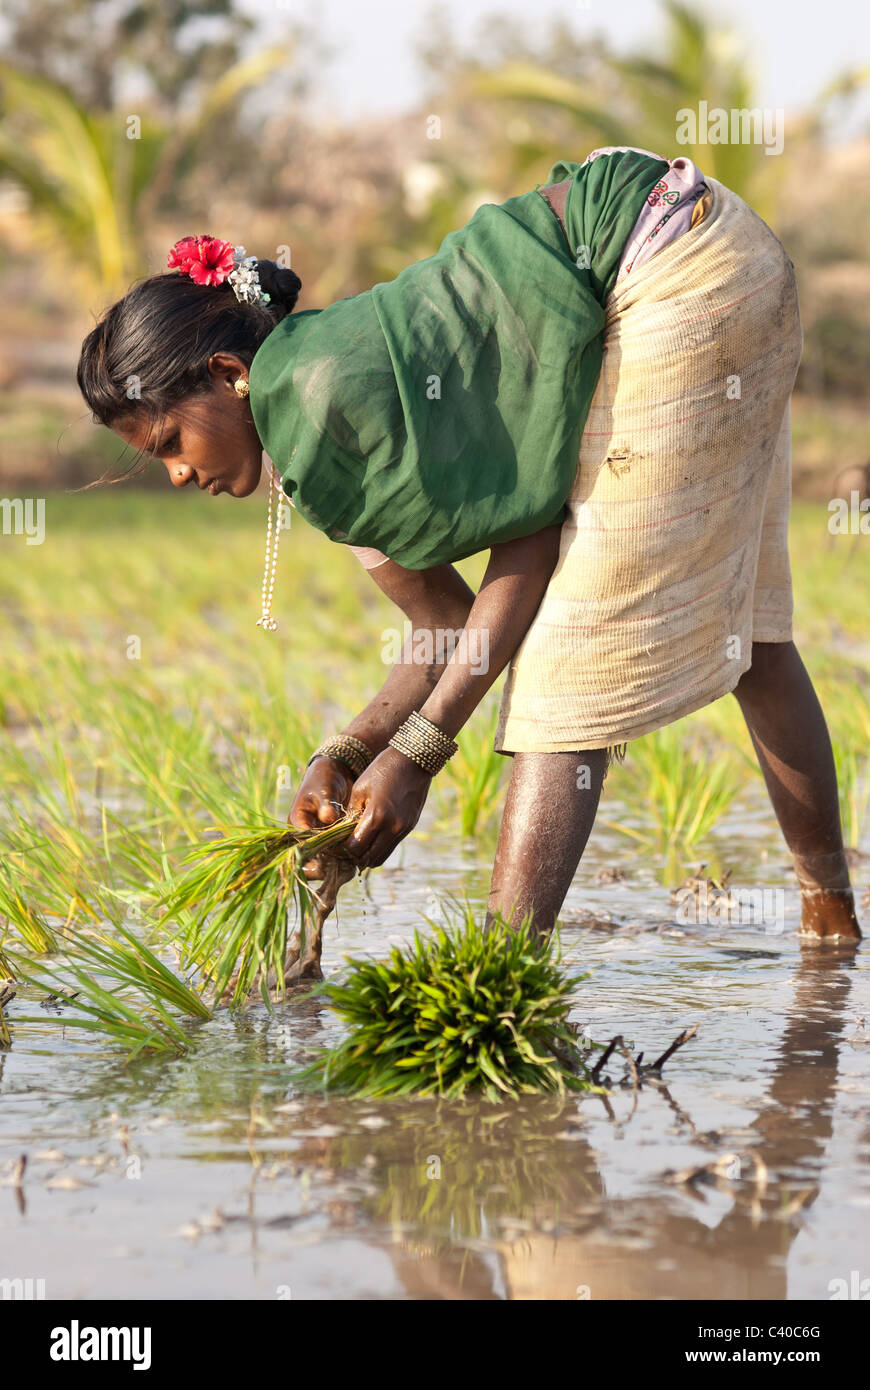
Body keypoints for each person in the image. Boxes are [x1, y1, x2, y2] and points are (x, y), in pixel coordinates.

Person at [76, 145, 861, 982]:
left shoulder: (321, 395)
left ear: (229, 375)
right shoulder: (311, 438)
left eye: (169, 443)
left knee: (564, 672)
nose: (180, 475)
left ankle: (493, 990)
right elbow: (447, 628)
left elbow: (530, 541)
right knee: (754, 635)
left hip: (676, 269)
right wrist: (343, 758)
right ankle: (832, 926)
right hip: (720, 246)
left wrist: (417, 755)